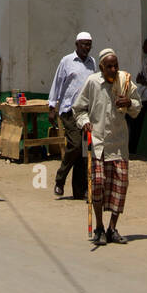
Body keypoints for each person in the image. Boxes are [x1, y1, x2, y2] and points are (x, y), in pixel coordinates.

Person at [73, 48, 142, 245]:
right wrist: (84, 122)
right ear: (102, 67)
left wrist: (129, 103)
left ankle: (112, 228)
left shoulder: (125, 81)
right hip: (98, 144)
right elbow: (79, 109)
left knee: (119, 189)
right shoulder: (93, 83)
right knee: (98, 187)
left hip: (119, 145)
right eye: (109, 66)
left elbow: (138, 107)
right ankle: (100, 227)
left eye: (116, 66)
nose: (113, 70)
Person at [48, 33, 96, 199]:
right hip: (69, 110)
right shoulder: (66, 61)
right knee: (75, 145)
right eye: (83, 44)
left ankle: (79, 190)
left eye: (89, 44)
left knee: (84, 152)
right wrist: (52, 106)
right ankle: (60, 180)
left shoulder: (92, 63)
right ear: (76, 44)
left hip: (86, 112)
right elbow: (57, 83)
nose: (86, 47)